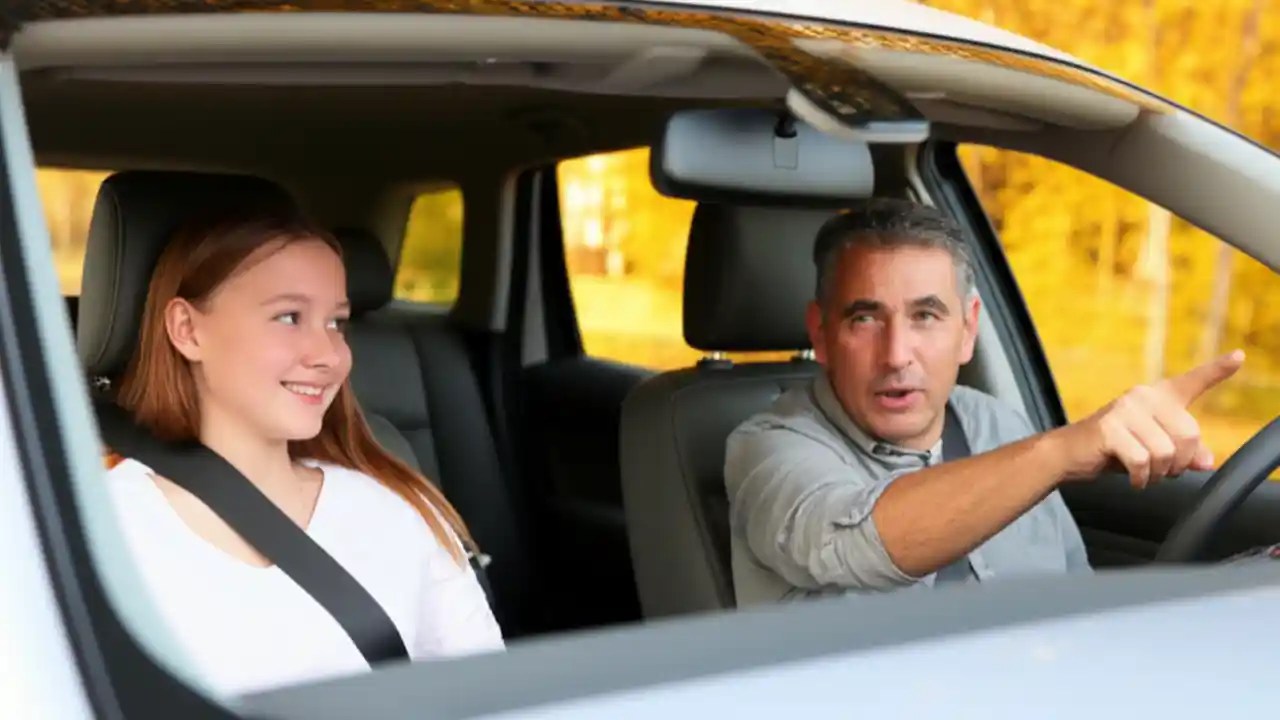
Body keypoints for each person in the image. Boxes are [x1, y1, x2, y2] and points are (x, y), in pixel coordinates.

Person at [724, 197, 1244, 606]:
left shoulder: (997, 424)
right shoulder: (768, 448)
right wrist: (1058, 453)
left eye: (926, 316)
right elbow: (854, 543)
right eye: (865, 318)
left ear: (968, 329)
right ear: (821, 331)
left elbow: (1076, 600)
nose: (896, 354)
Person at [102, 203, 503, 696]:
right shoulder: (98, 529)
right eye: (289, 317)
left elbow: (485, 700)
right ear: (188, 330)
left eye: (336, 323)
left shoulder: (398, 510)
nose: (329, 355)